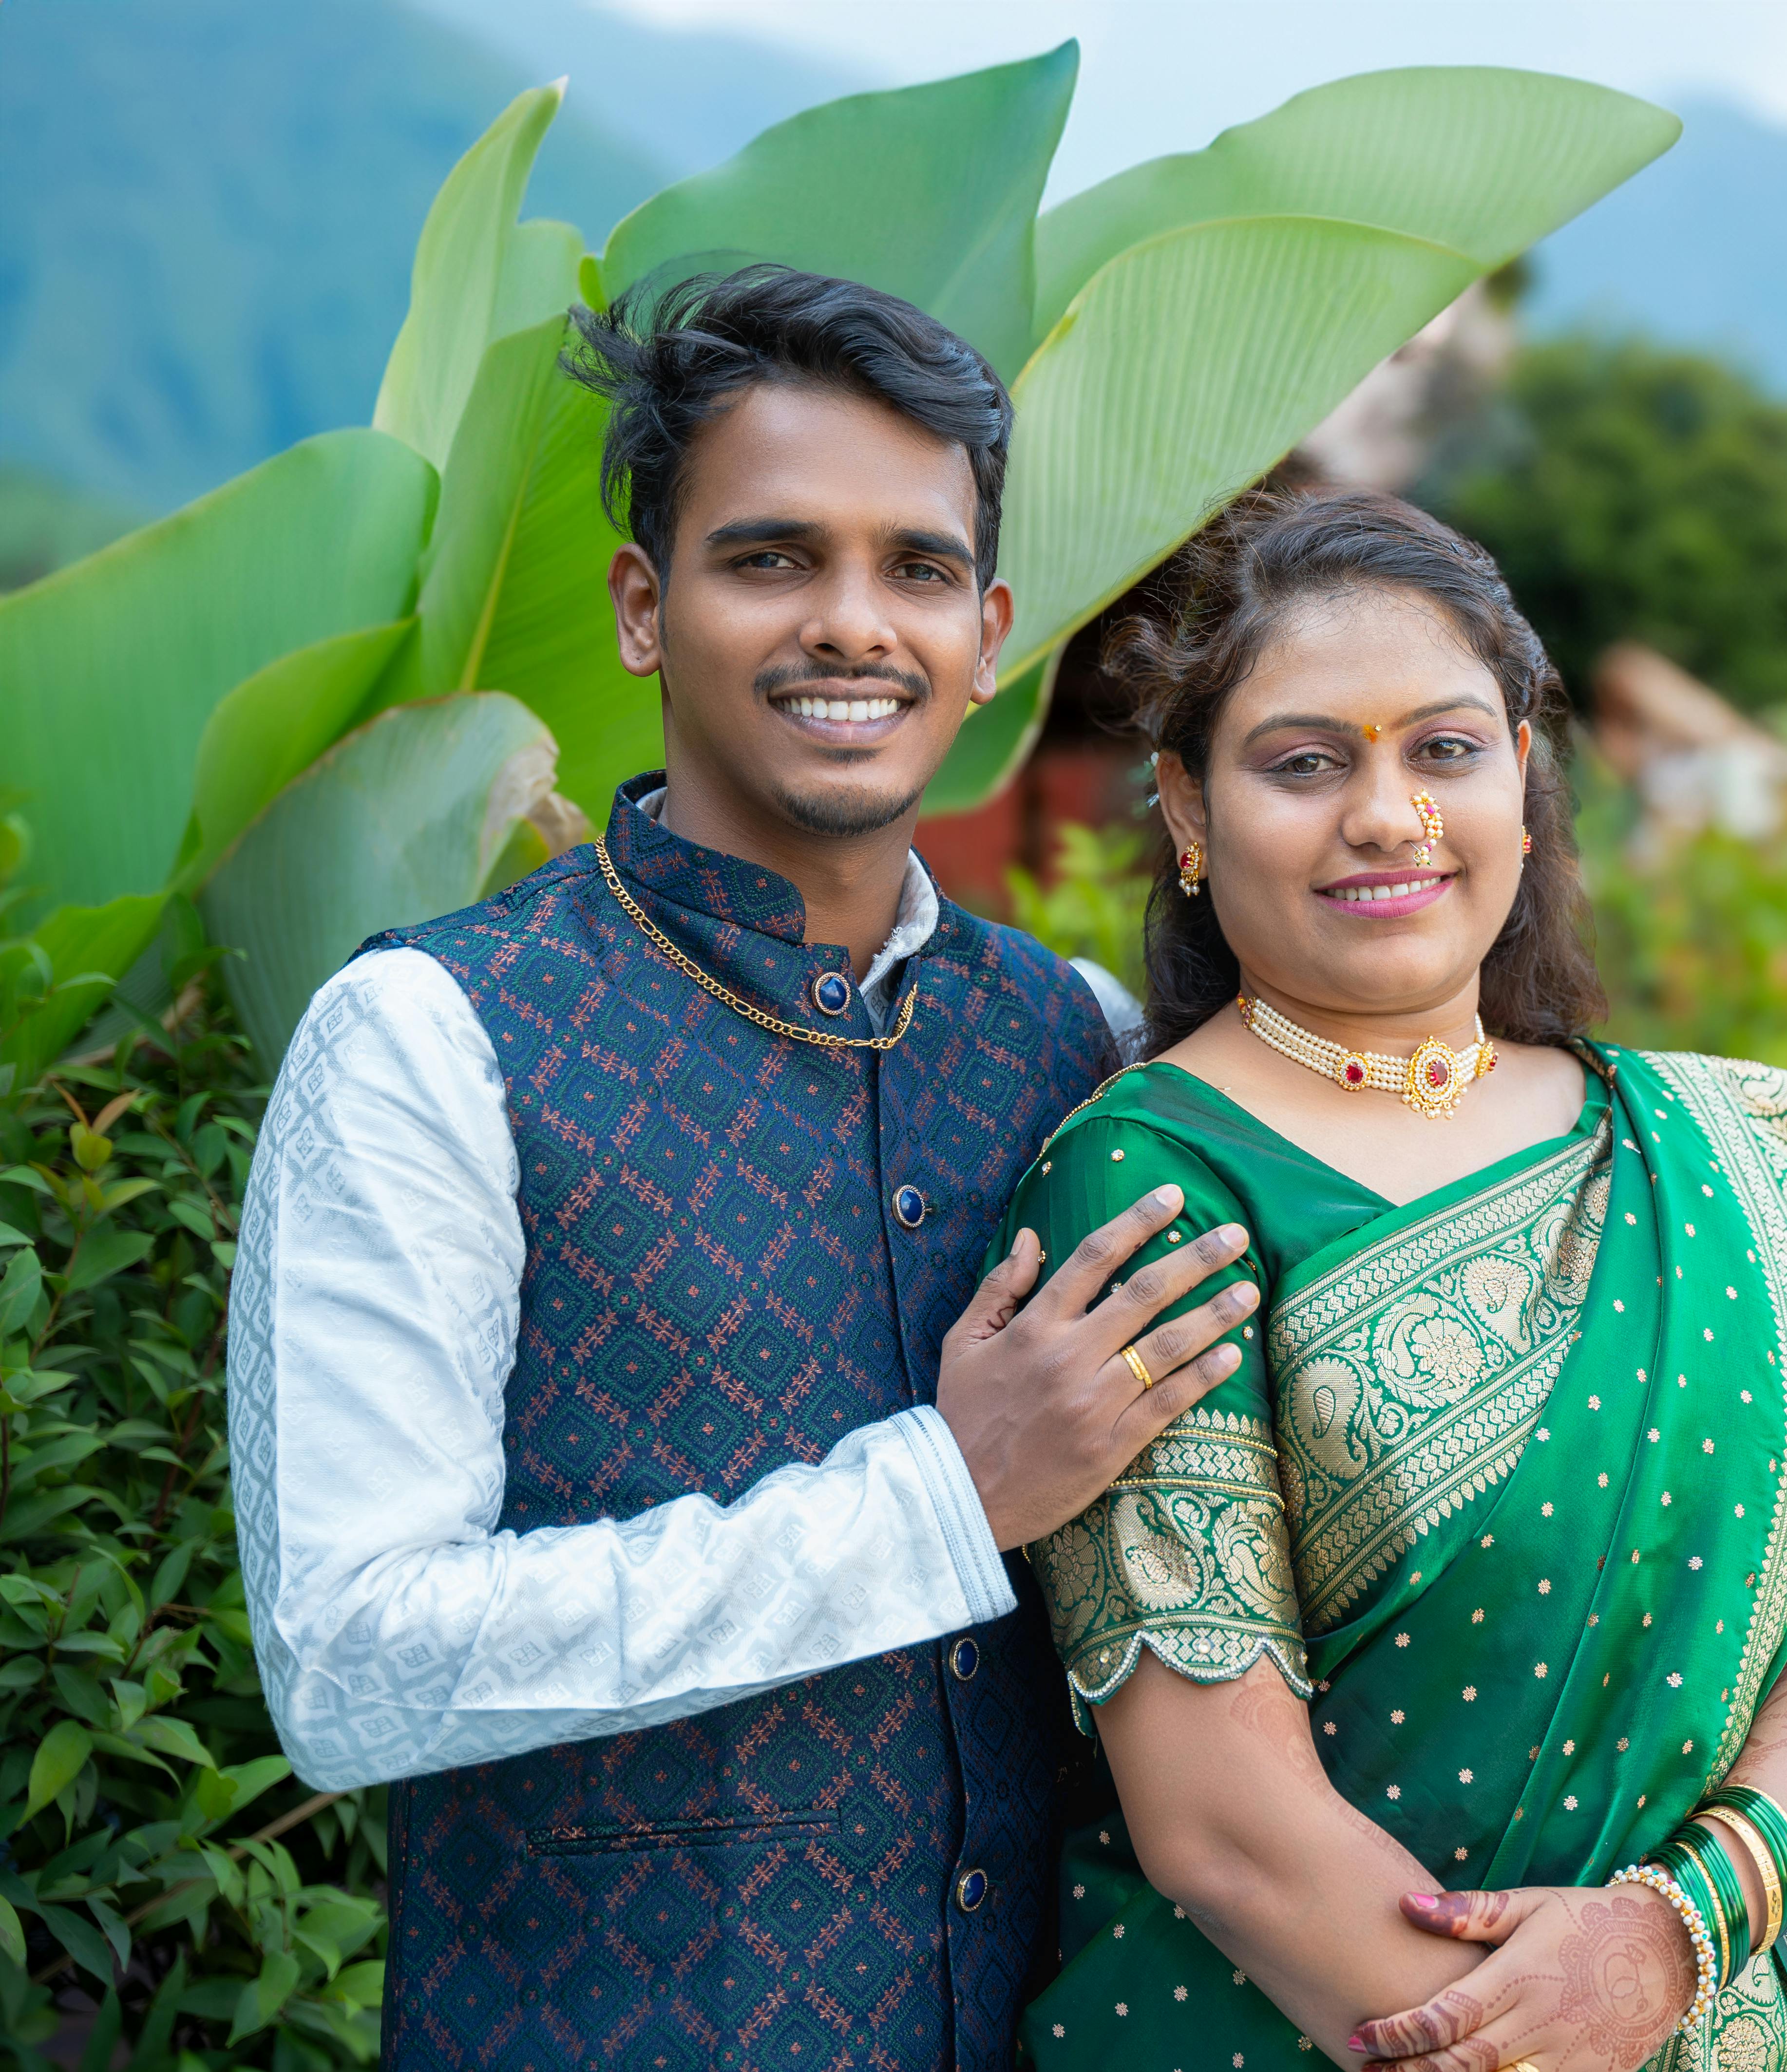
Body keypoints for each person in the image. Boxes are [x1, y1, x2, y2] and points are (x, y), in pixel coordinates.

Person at [228, 266, 1256, 2069]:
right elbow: (354, 1664)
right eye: (772, 558)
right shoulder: (428, 1040)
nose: (855, 626)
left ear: (990, 629)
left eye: (916, 569)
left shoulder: (1079, 1038)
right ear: (643, 606)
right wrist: (944, 1495)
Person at [1007, 487, 1787, 2072]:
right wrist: (1538, 2035)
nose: (1386, 815)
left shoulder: (1719, 1151)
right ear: (1185, 808)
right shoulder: (1153, 1183)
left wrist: (1670, 1940)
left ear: (1522, 775)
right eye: (1305, 763)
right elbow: (1227, 1834)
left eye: (1442, 750)